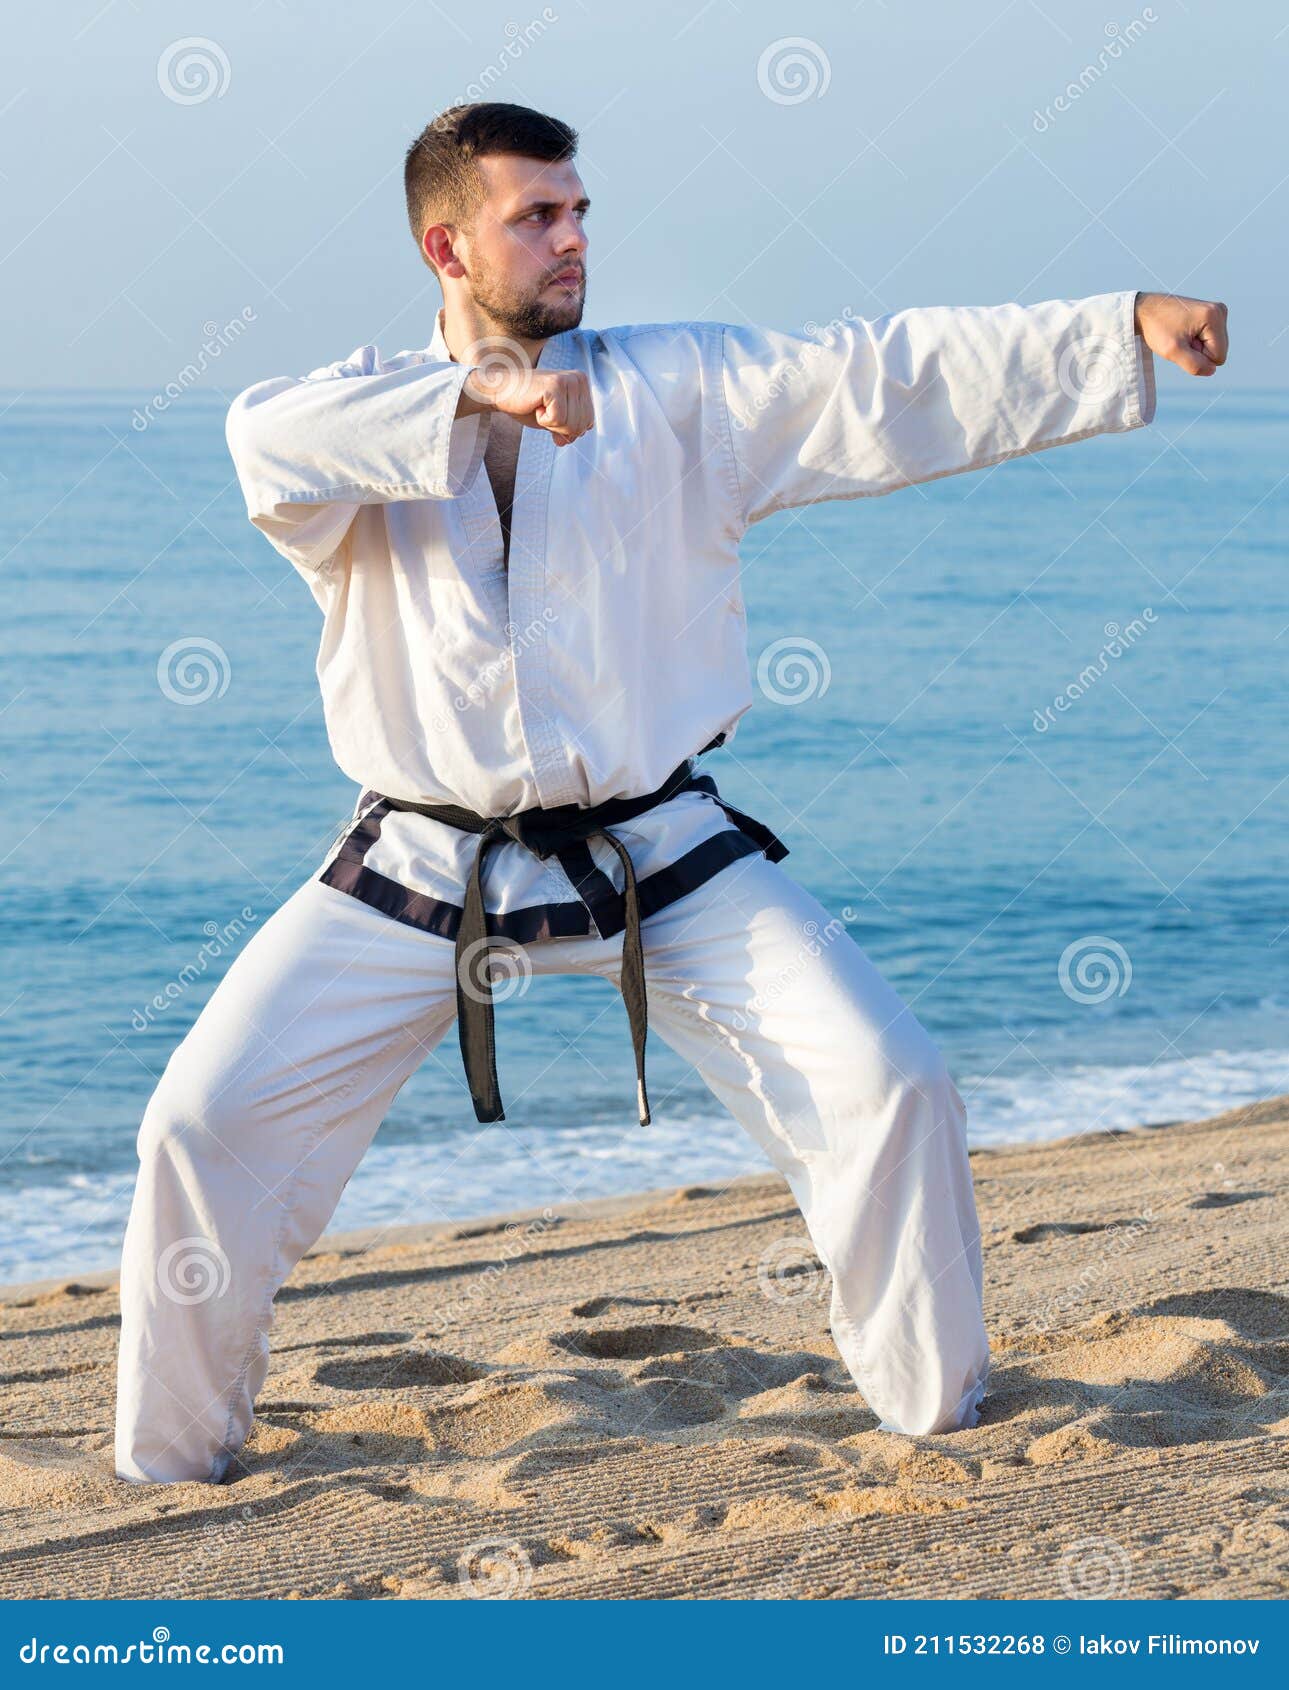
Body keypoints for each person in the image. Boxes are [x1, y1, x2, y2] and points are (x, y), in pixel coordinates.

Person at [114, 101, 1228, 1485]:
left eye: (580, 209)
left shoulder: (676, 390)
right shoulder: (349, 417)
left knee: (893, 1081)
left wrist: (1115, 323)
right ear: (445, 243)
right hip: (414, 865)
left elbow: (881, 375)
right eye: (538, 216)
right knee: (200, 1125)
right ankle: (170, 1460)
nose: (575, 237)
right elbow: (261, 439)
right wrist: (475, 398)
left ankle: (933, 1418)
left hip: (661, 850)